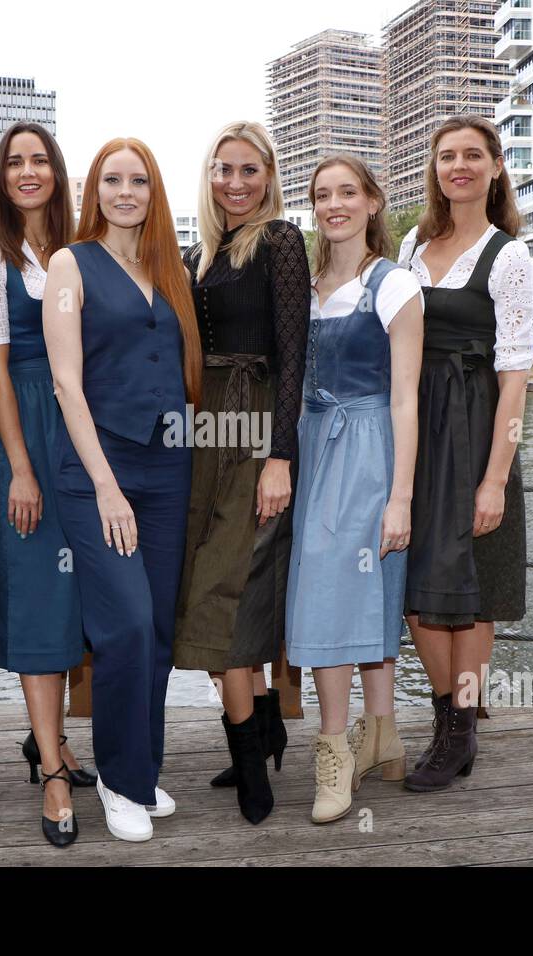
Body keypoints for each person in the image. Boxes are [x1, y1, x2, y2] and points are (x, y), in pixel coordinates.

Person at [42, 138, 202, 843]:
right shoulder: (69, 265)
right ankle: (116, 780)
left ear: (154, 191)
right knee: (126, 624)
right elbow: (65, 382)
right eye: (113, 179)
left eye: (139, 180)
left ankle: (140, 771)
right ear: (94, 189)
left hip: (170, 467)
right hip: (97, 471)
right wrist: (106, 485)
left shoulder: (170, 269)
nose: (126, 191)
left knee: (159, 631)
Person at [396, 114, 533, 792]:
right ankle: (448, 715)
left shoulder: (509, 255)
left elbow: (515, 375)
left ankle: (458, 731)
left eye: (472, 155)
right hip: (415, 428)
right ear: (435, 166)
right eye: (447, 155)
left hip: (478, 423)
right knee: (417, 586)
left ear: (495, 166)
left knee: (473, 589)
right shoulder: (411, 245)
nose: (459, 165)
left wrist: (495, 479)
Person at [173, 121, 308, 824]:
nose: (235, 181)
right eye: (224, 169)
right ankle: (264, 732)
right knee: (217, 589)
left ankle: (254, 766)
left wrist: (279, 457)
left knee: (233, 598)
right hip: (205, 437)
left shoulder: (281, 242)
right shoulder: (199, 252)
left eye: (249, 170)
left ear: (268, 175)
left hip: (258, 430)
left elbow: (293, 356)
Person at [285, 154, 423, 824]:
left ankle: (337, 748)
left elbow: (405, 400)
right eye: (321, 195)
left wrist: (400, 497)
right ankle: (384, 735)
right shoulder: (307, 284)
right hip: (313, 443)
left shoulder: (393, 286)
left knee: (335, 593)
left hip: (367, 448)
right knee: (350, 586)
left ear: (373, 202)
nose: (333, 204)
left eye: (347, 193)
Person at [0, 121, 94, 849]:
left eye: (38, 159)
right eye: (14, 162)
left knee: (81, 596)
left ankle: (53, 742)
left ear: (56, 171)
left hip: (83, 434)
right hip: (28, 438)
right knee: (43, 603)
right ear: (0, 176)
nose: (27, 171)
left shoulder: (76, 253)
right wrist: (19, 466)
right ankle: (50, 768)